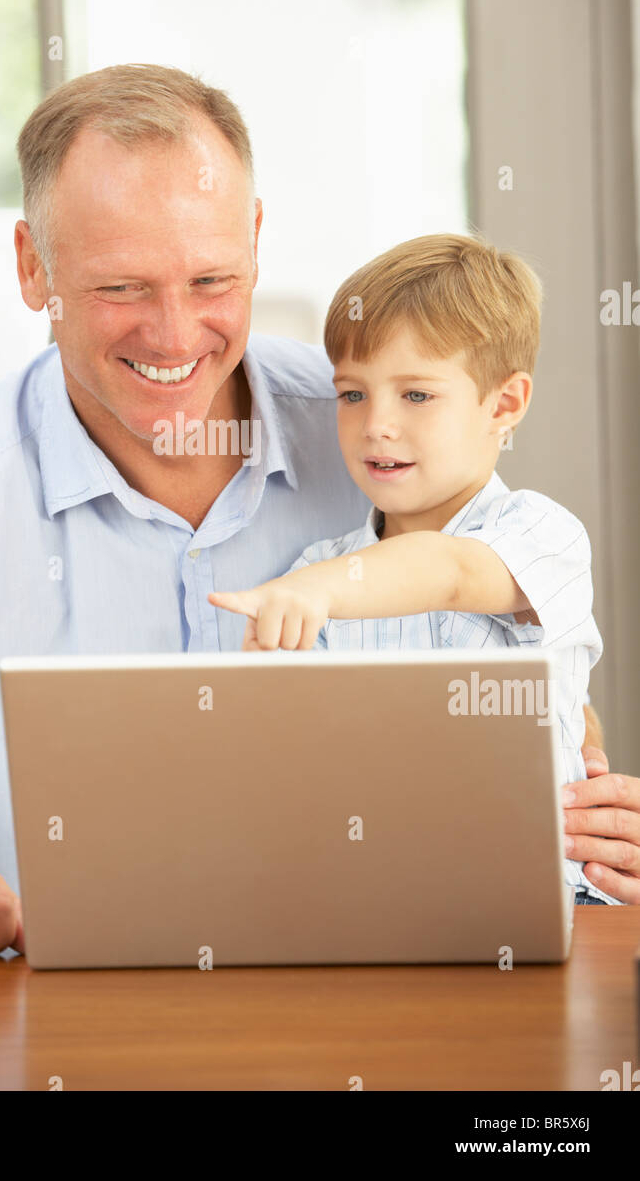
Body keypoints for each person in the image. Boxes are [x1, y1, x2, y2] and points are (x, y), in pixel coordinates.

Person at [0, 66, 635, 964]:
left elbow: (518, 666)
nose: (177, 336)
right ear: (36, 270)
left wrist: (586, 800)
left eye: (212, 279)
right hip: (56, 1031)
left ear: (257, 242)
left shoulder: (380, 435)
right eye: (121, 289)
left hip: (377, 1005)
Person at [209, 233, 621, 905]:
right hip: (376, 903)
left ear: (504, 405)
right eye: (352, 395)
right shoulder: (316, 568)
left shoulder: (540, 533)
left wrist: (317, 592)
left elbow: (451, 571)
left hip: (541, 901)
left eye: (417, 396)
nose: (377, 425)